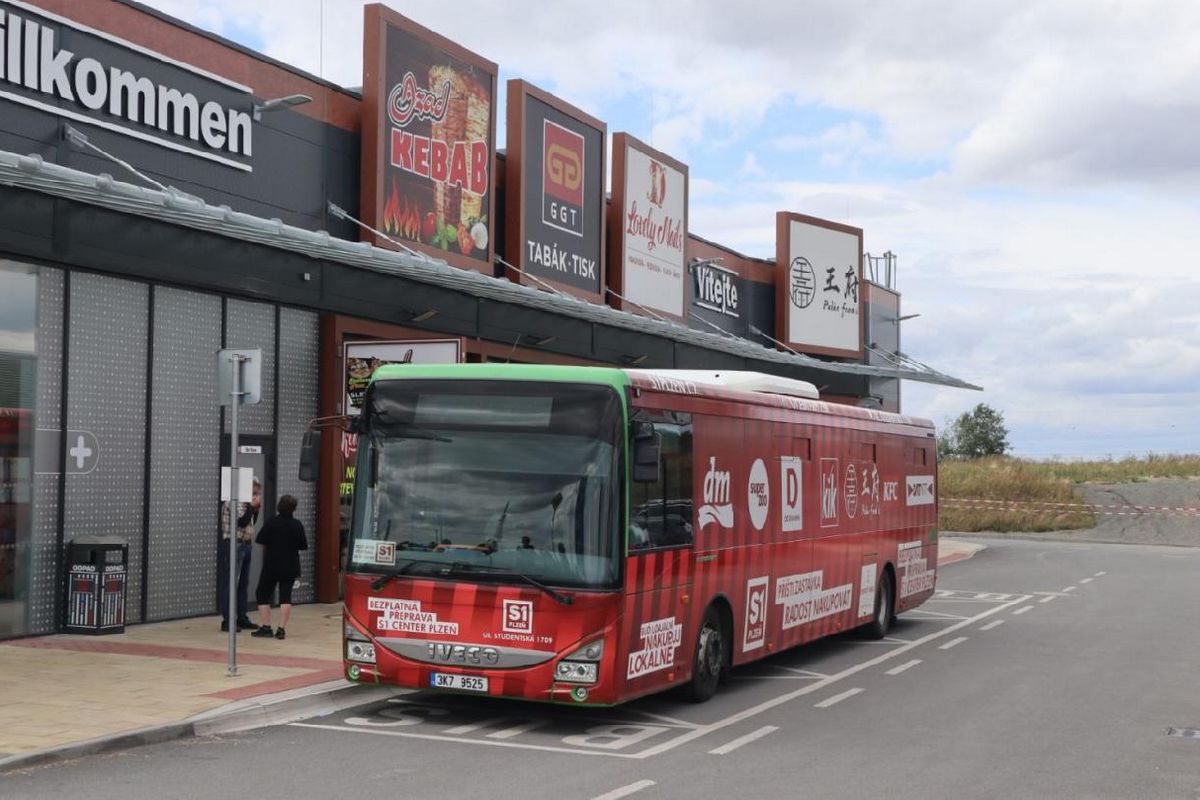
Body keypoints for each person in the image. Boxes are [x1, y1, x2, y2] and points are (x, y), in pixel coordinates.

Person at [251, 494, 308, 640]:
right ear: (293, 509)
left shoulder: (272, 522)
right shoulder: (297, 524)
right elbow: (303, 545)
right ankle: (281, 629)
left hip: (272, 564)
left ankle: (266, 627)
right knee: (285, 597)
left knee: (262, 594)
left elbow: (260, 539)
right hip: (291, 565)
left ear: (279, 506)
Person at [218, 477, 260, 632]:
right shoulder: (232, 502)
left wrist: (255, 509)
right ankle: (228, 620)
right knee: (231, 584)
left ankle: (242, 617)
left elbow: (251, 522)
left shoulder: (245, 504)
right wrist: (251, 508)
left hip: (246, 544)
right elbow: (241, 522)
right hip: (235, 544)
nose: (256, 494)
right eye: (254, 490)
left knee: (243, 584)